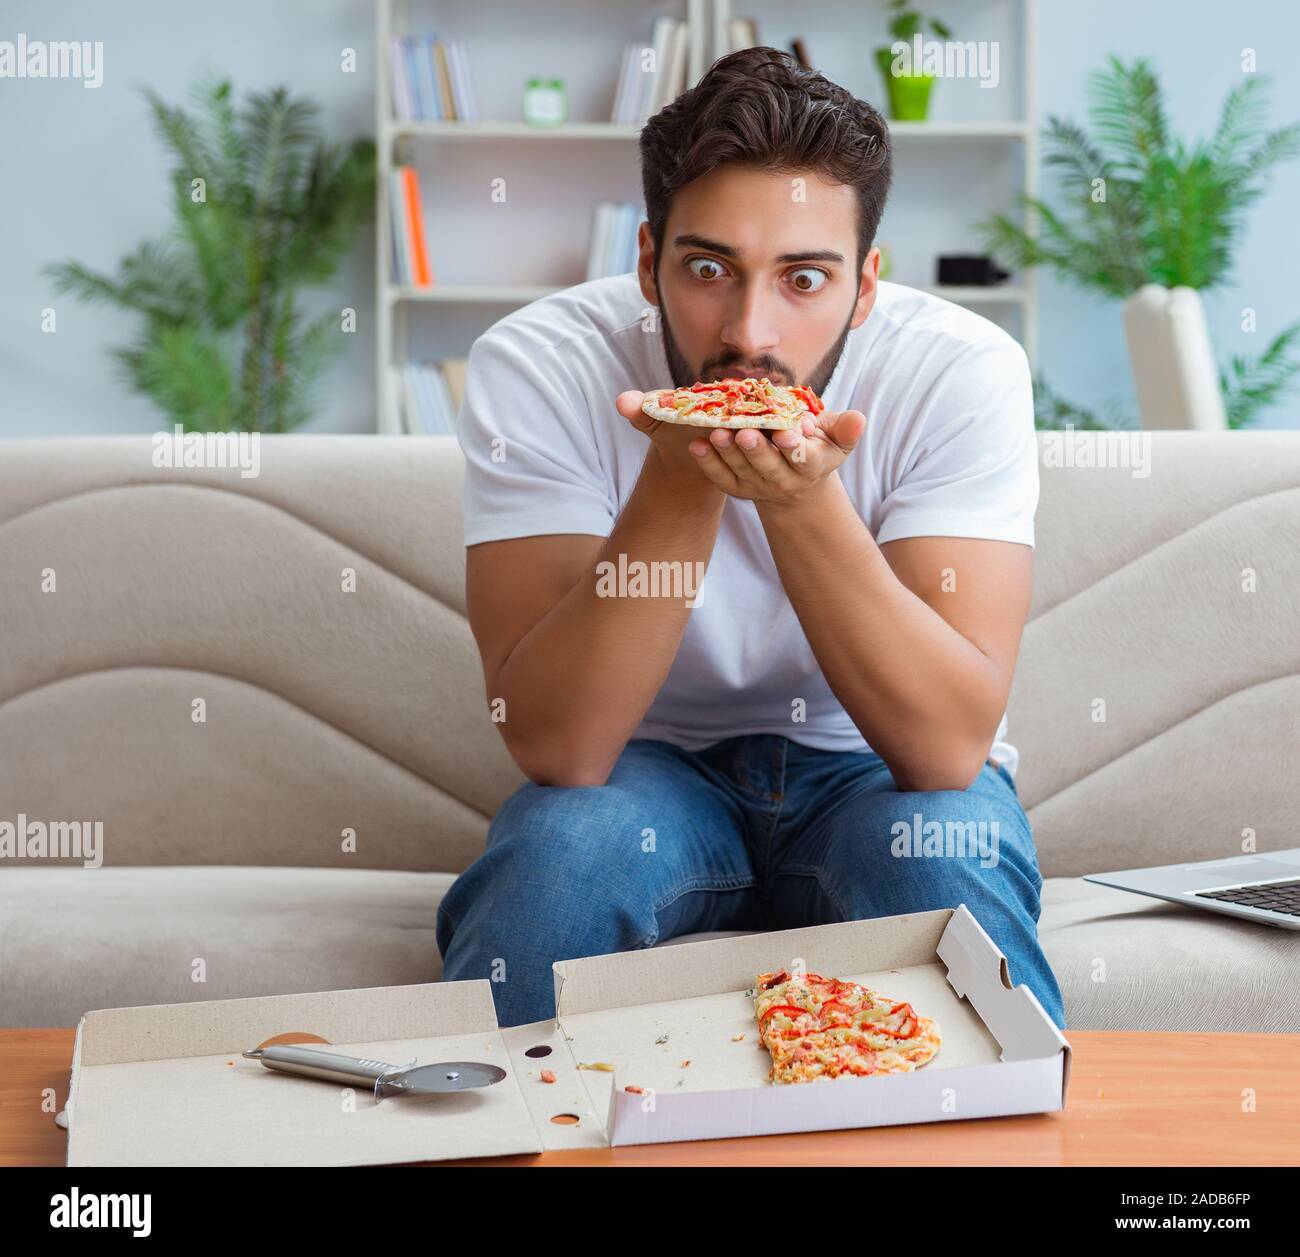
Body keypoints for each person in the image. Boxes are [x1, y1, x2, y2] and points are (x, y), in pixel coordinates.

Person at [437, 46, 1066, 1032]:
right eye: (706, 269)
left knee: (949, 844)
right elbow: (559, 745)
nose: (747, 330)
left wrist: (804, 502)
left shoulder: (963, 370)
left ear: (865, 286)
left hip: (875, 772)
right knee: (557, 852)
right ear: (646, 263)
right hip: (645, 771)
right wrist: (682, 470)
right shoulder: (536, 363)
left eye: (803, 278)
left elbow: (945, 749)